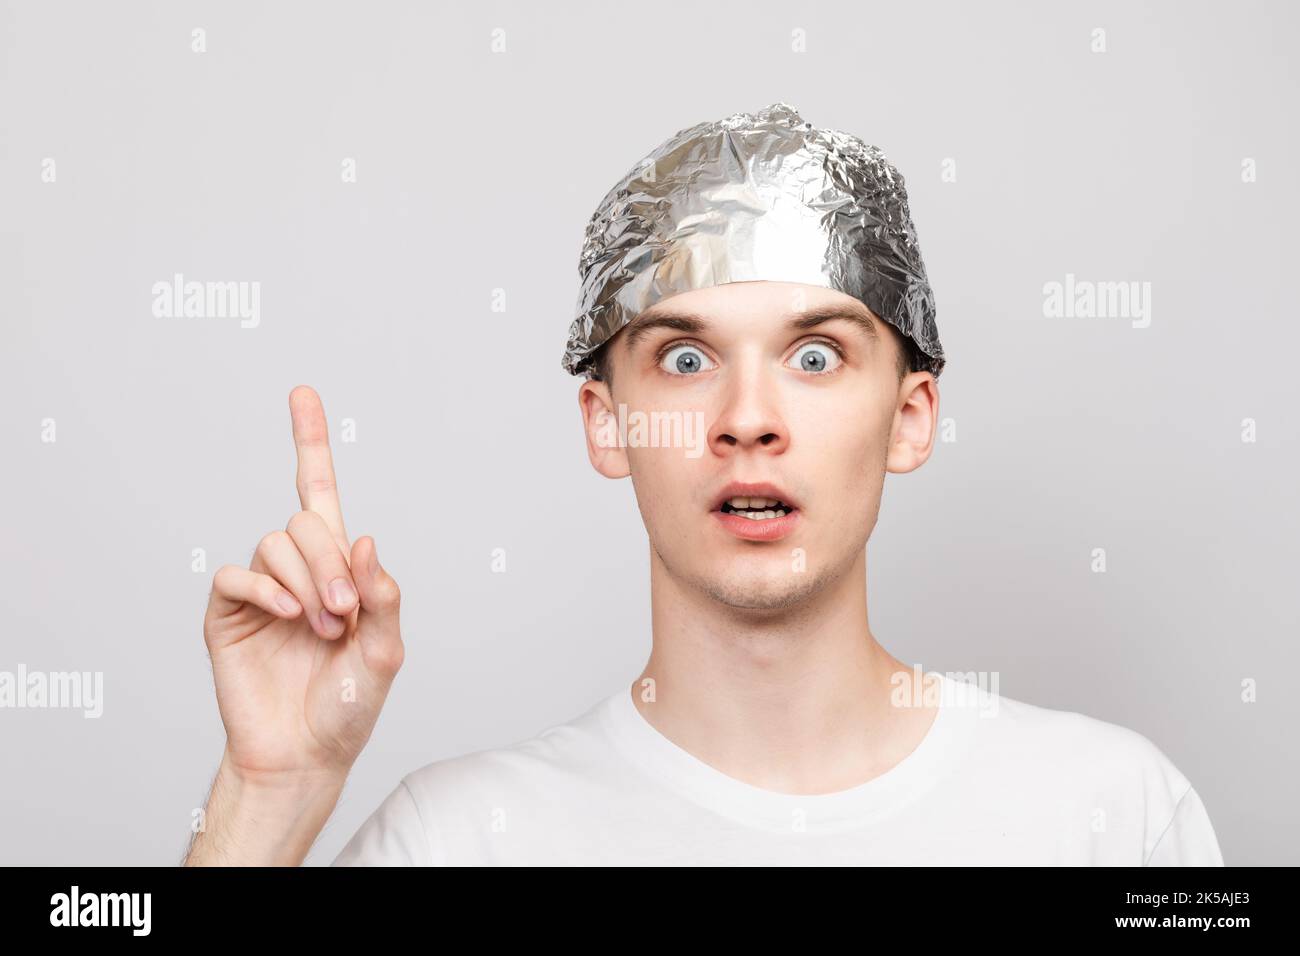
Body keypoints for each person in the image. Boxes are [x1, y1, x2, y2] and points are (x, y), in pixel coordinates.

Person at [183, 104, 1223, 866]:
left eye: (815, 356)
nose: (746, 416)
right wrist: (269, 793)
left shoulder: (1114, 817)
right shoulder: (455, 839)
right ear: (609, 423)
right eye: (685, 359)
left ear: (909, 417)